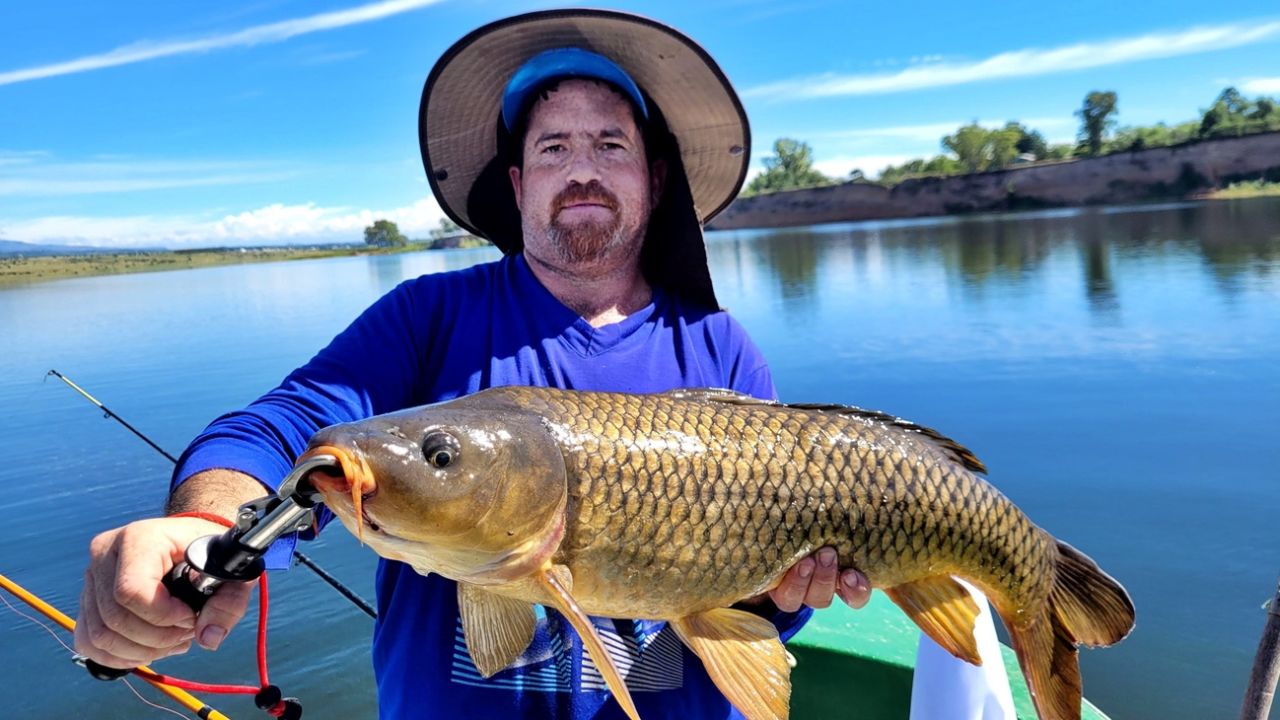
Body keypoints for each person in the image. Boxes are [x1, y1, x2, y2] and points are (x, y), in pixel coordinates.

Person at [76, 9, 1013, 719]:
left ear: (650, 176)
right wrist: (201, 524)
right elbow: (282, 428)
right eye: (553, 147)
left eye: (611, 144)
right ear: (519, 184)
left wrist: (787, 599)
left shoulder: (722, 350)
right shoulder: (427, 316)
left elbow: (761, 617)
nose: (583, 168)